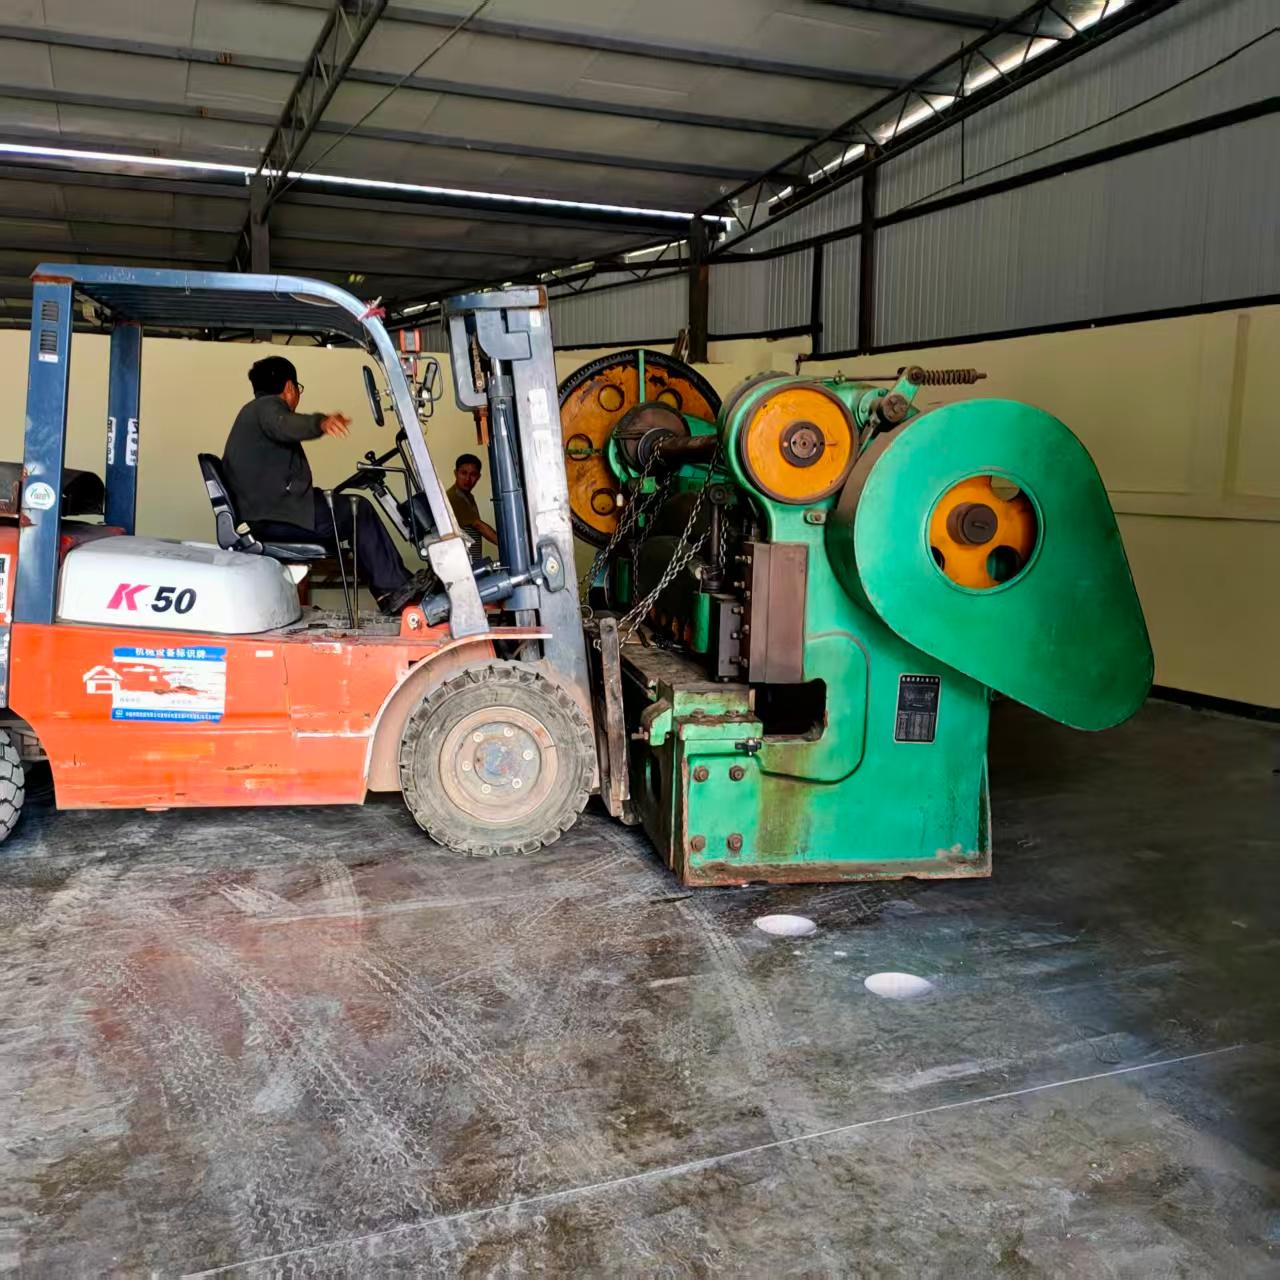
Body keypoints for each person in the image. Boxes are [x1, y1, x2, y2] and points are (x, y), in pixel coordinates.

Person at [222, 355, 425, 614]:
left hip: (272, 514)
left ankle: (391, 588)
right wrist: (320, 422)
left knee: (345, 507)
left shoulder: (252, 412)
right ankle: (394, 590)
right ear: (289, 387)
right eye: (297, 388)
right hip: (279, 518)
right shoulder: (268, 408)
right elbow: (285, 424)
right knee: (358, 510)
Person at [445, 453, 498, 566]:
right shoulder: (454, 497)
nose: (468, 479)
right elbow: (479, 526)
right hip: (462, 564)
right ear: (456, 473)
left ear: (478, 477)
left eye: (473, 474)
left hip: (471, 562)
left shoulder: (468, 497)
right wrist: (507, 545)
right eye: (463, 473)